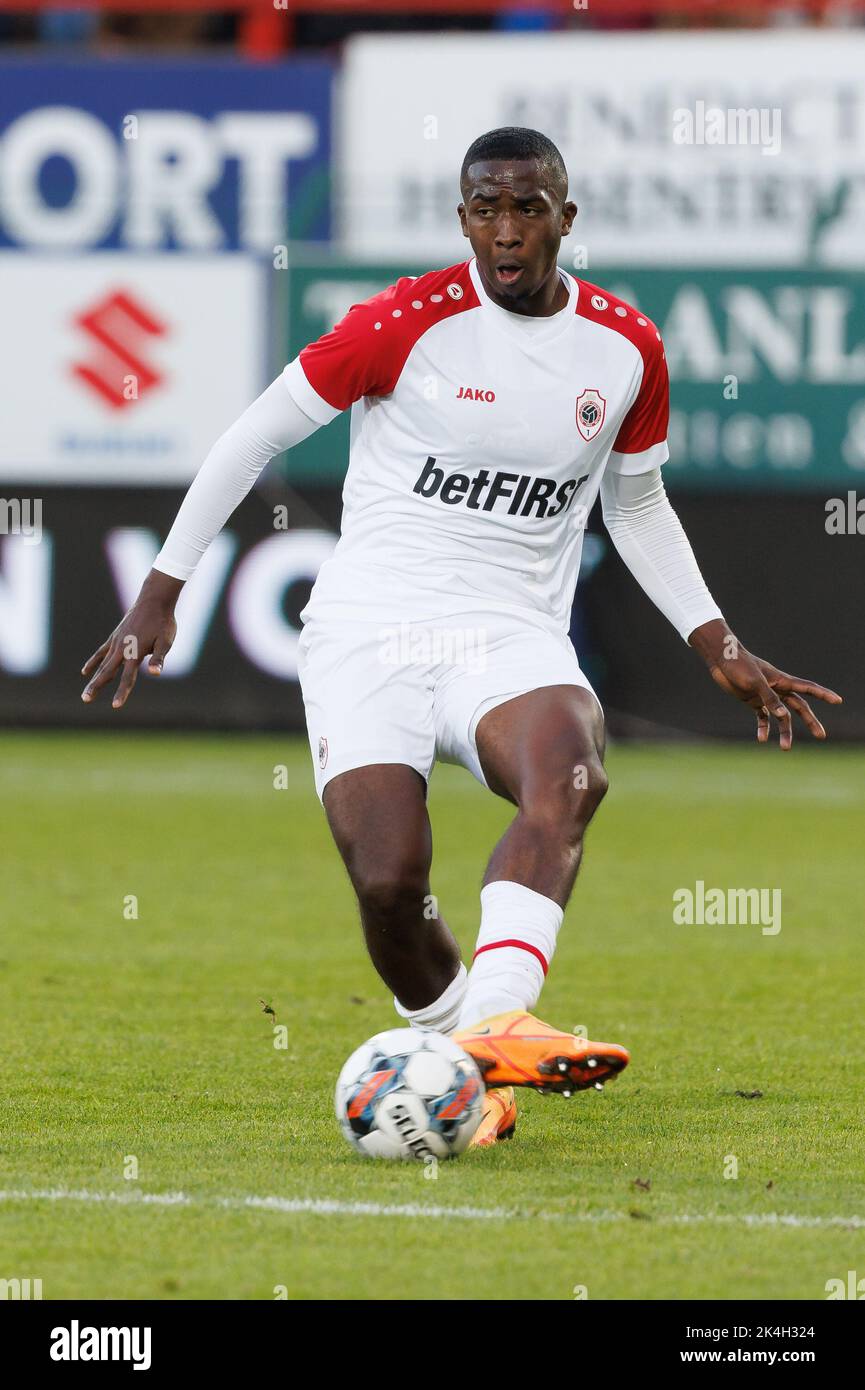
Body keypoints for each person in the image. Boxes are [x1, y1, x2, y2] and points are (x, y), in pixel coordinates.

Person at [81, 127, 841, 1148]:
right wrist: (161, 589)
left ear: (565, 218)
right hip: (370, 625)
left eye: (528, 207)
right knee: (391, 887)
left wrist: (717, 644)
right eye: (485, 208)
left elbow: (640, 501)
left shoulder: (624, 347)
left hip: (509, 628)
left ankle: (498, 1016)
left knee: (570, 769)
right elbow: (253, 431)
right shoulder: (403, 321)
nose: (506, 228)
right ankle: (462, 1064)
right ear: (462, 219)